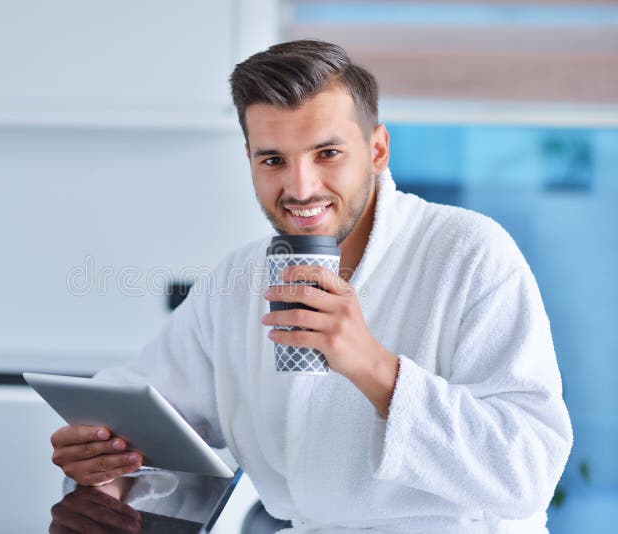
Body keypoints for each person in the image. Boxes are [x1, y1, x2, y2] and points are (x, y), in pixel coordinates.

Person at [50, 40, 573, 532]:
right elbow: (148, 420)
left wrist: (372, 367)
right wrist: (105, 462)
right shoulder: (237, 281)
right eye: (273, 160)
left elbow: (529, 471)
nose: (300, 188)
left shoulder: (469, 251)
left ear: (377, 150)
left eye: (327, 154)